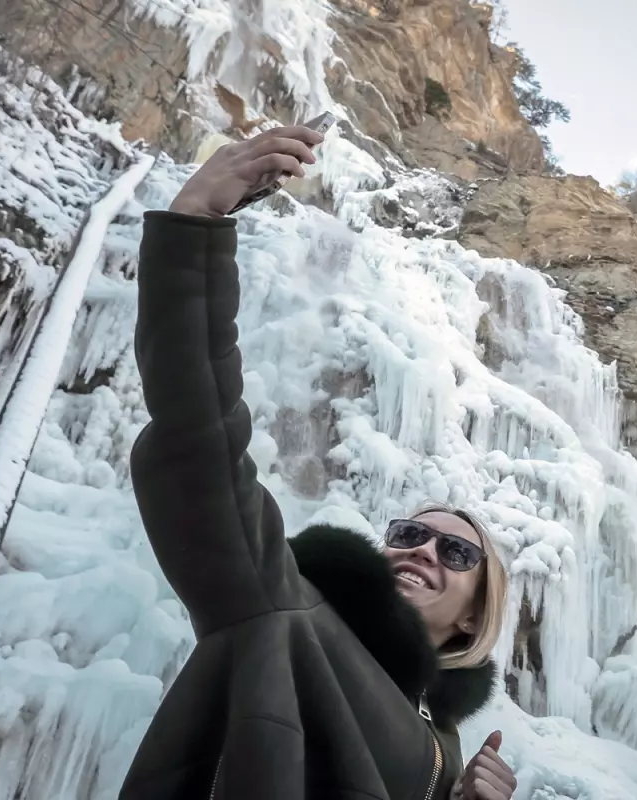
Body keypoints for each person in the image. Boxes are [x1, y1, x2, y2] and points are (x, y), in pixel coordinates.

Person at [118, 126, 518, 800]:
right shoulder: (286, 605)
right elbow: (202, 444)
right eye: (409, 533)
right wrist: (192, 232)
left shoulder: (447, 753)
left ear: (476, 616)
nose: (424, 549)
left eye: (455, 551)